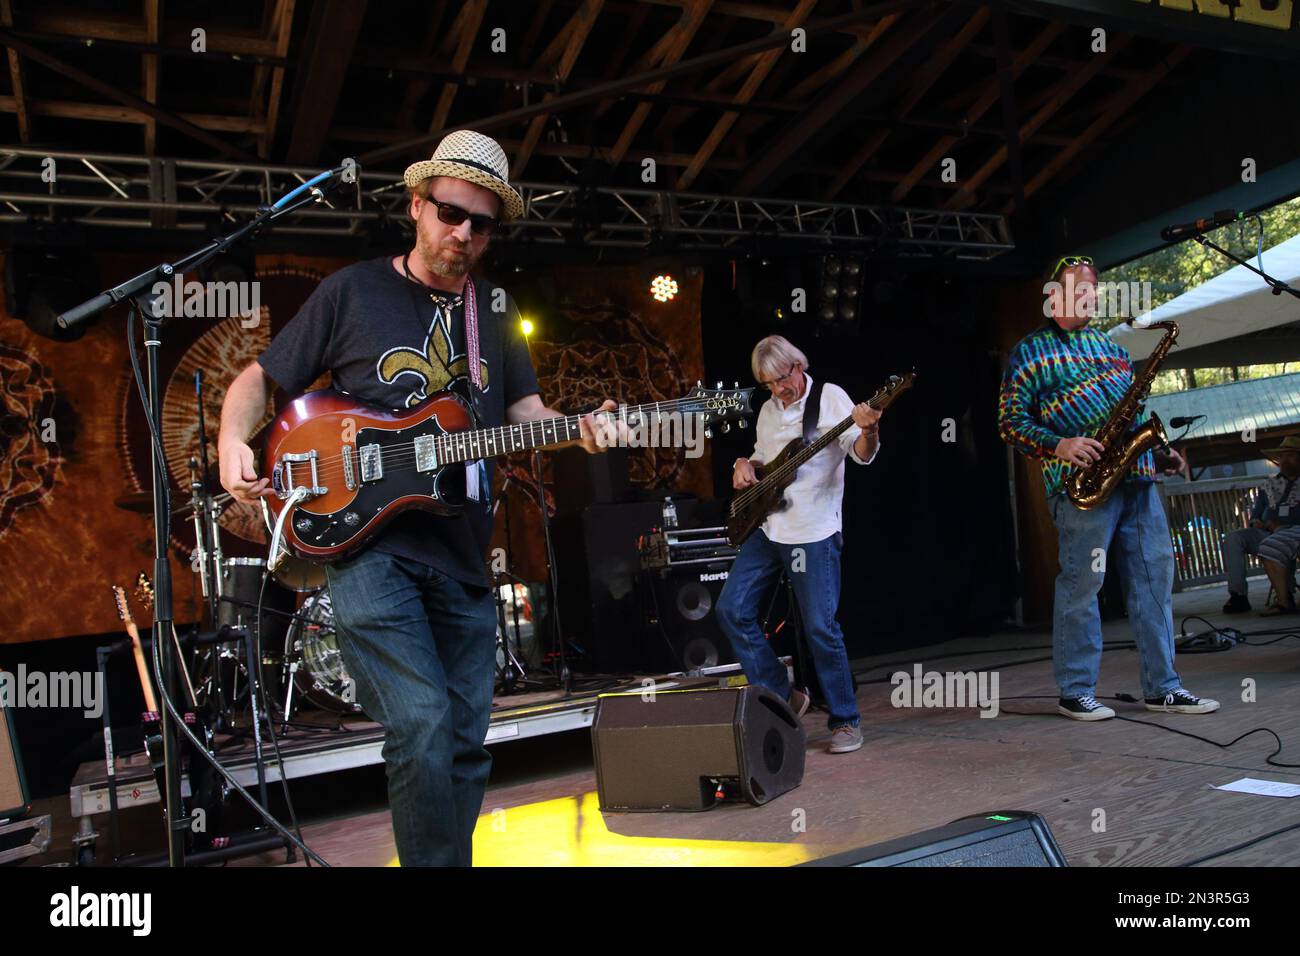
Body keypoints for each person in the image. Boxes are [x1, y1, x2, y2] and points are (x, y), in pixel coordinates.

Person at [218, 130, 613, 866]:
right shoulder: (353, 291)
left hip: (462, 553)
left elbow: (522, 416)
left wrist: (577, 430)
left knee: (465, 741)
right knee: (424, 725)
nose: (462, 233)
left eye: (480, 223)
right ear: (416, 204)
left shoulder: (493, 307)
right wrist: (231, 441)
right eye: (449, 213)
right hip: (371, 546)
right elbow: (259, 380)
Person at [998, 254, 1218, 721]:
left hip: (1137, 480)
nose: (1092, 298)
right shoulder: (1029, 351)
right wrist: (1058, 444)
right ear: (1053, 295)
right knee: (1083, 585)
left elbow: (1133, 417)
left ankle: (1164, 687)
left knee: (1154, 583)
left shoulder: (1114, 349)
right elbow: (1009, 424)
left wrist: (1160, 453)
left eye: (1094, 290)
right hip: (1083, 487)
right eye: (1081, 289)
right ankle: (1075, 690)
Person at [715, 335, 881, 754]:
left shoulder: (829, 398)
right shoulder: (770, 411)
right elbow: (761, 457)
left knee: (820, 628)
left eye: (781, 379)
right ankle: (781, 695)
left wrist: (870, 429)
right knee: (732, 609)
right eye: (768, 384)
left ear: (797, 366)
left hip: (813, 532)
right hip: (769, 529)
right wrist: (742, 464)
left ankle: (846, 720)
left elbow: (861, 454)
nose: (777, 390)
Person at [1223, 437, 1300, 615]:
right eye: (1282, 456)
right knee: (1233, 538)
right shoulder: (1269, 485)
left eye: (1290, 455)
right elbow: (1256, 513)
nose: (1285, 460)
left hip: (1293, 531)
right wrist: (1255, 522)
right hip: (1267, 532)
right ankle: (1238, 595)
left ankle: (1285, 595)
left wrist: (1282, 524)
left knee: (1278, 542)